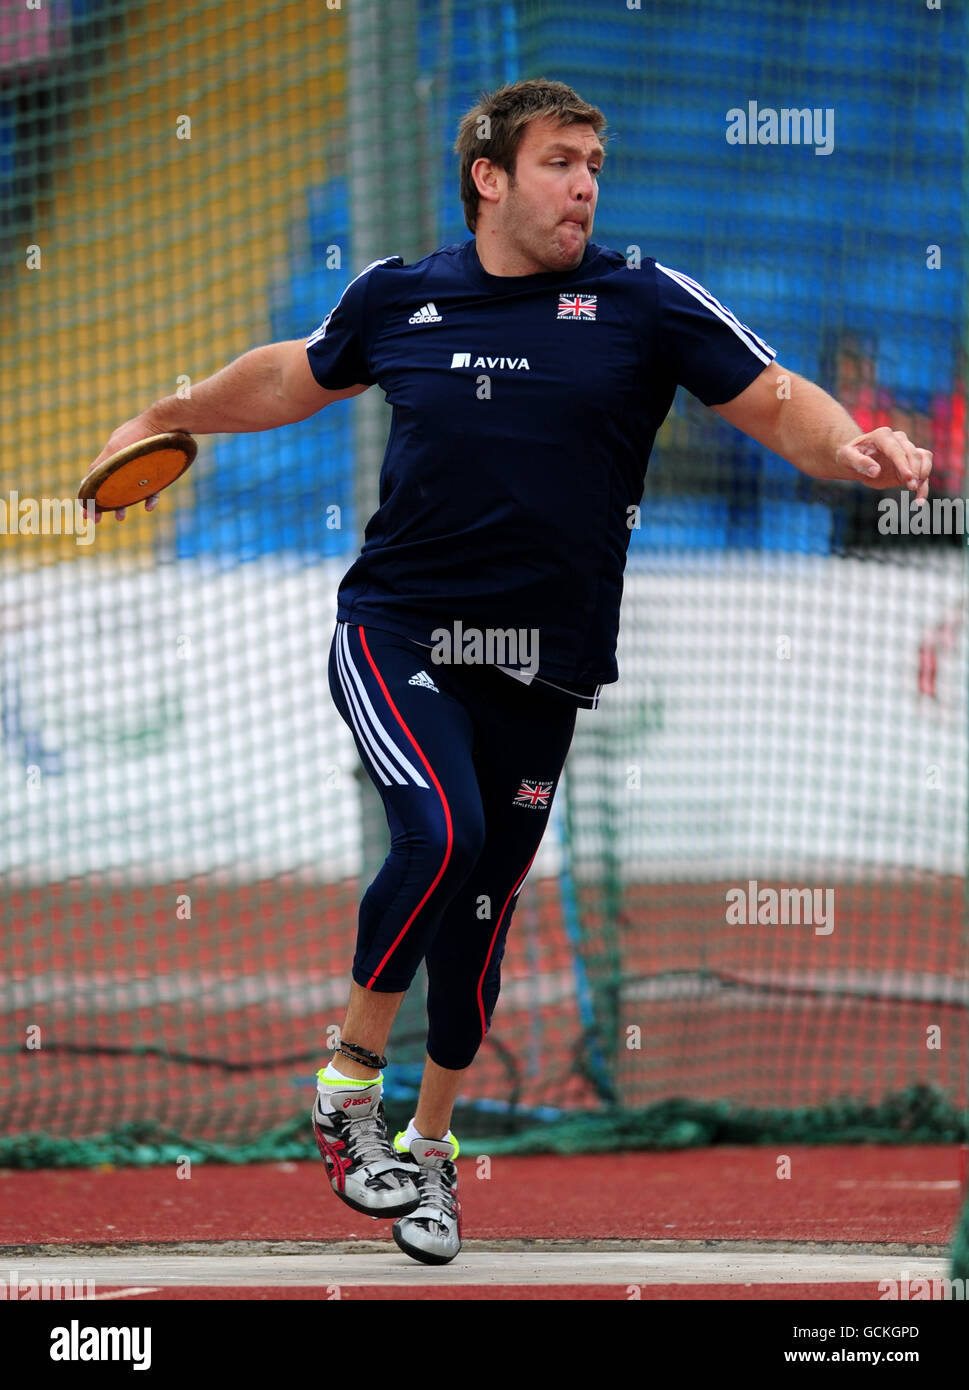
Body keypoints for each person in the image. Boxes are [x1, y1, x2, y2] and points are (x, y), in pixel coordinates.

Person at [84, 78, 933, 1266]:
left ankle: (430, 1156)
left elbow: (779, 402)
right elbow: (290, 374)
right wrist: (166, 411)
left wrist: (854, 446)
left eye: (596, 162)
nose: (587, 182)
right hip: (399, 633)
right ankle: (344, 1095)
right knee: (437, 830)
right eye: (560, 161)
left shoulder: (643, 301)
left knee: (479, 926)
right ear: (490, 176)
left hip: (546, 667)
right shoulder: (401, 297)